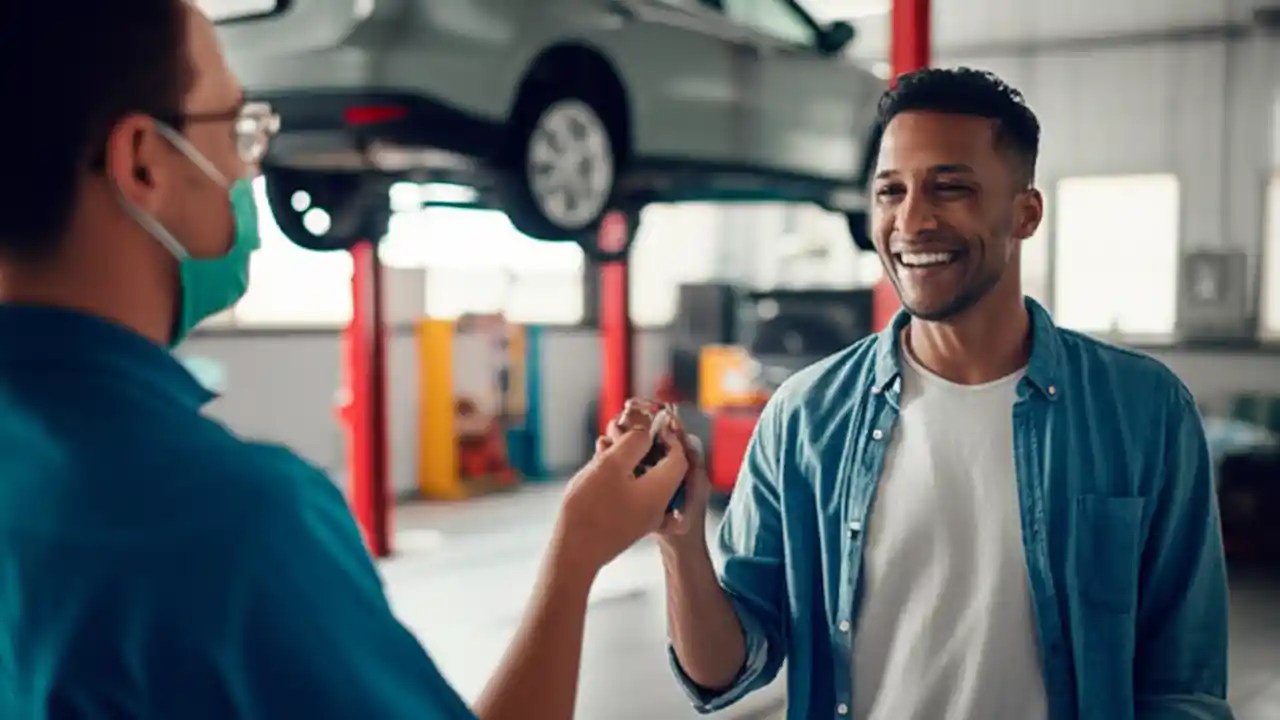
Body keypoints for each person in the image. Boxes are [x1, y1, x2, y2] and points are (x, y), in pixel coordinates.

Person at [0, 2, 688, 719]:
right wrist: (577, 554)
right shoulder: (226, 526)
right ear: (143, 162)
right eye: (233, 129)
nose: (245, 165)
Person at [656, 68, 1233, 720]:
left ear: (1026, 213)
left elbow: (1182, 688)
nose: (912, 220)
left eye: (949, 188)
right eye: (890, 191)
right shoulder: (805, 418)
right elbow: (727, 672)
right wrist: (680, 545)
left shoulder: (1143, 412)